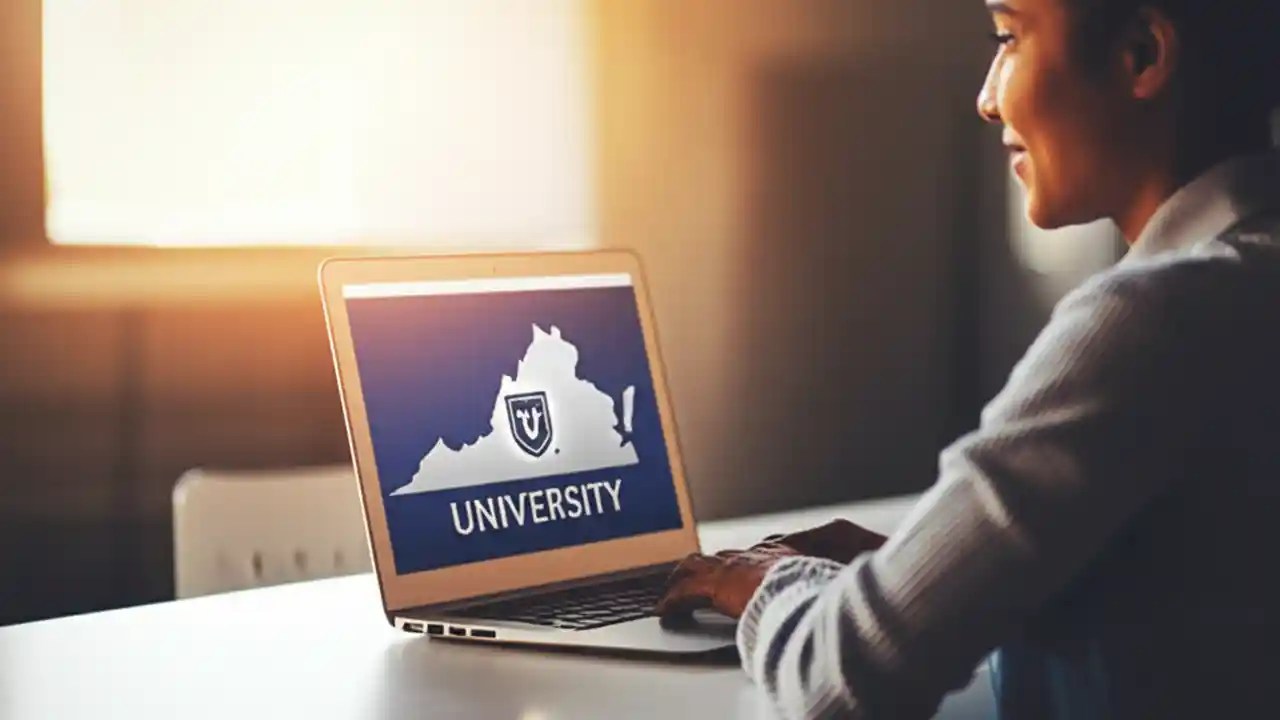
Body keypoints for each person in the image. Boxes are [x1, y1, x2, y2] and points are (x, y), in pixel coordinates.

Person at [655, 0, 1280, 717]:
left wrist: (775, 583)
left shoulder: (1158, 318)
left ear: (1141, 53)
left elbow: (836, 683)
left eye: (1008, 36)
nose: (986, 99)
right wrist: (941, 575)